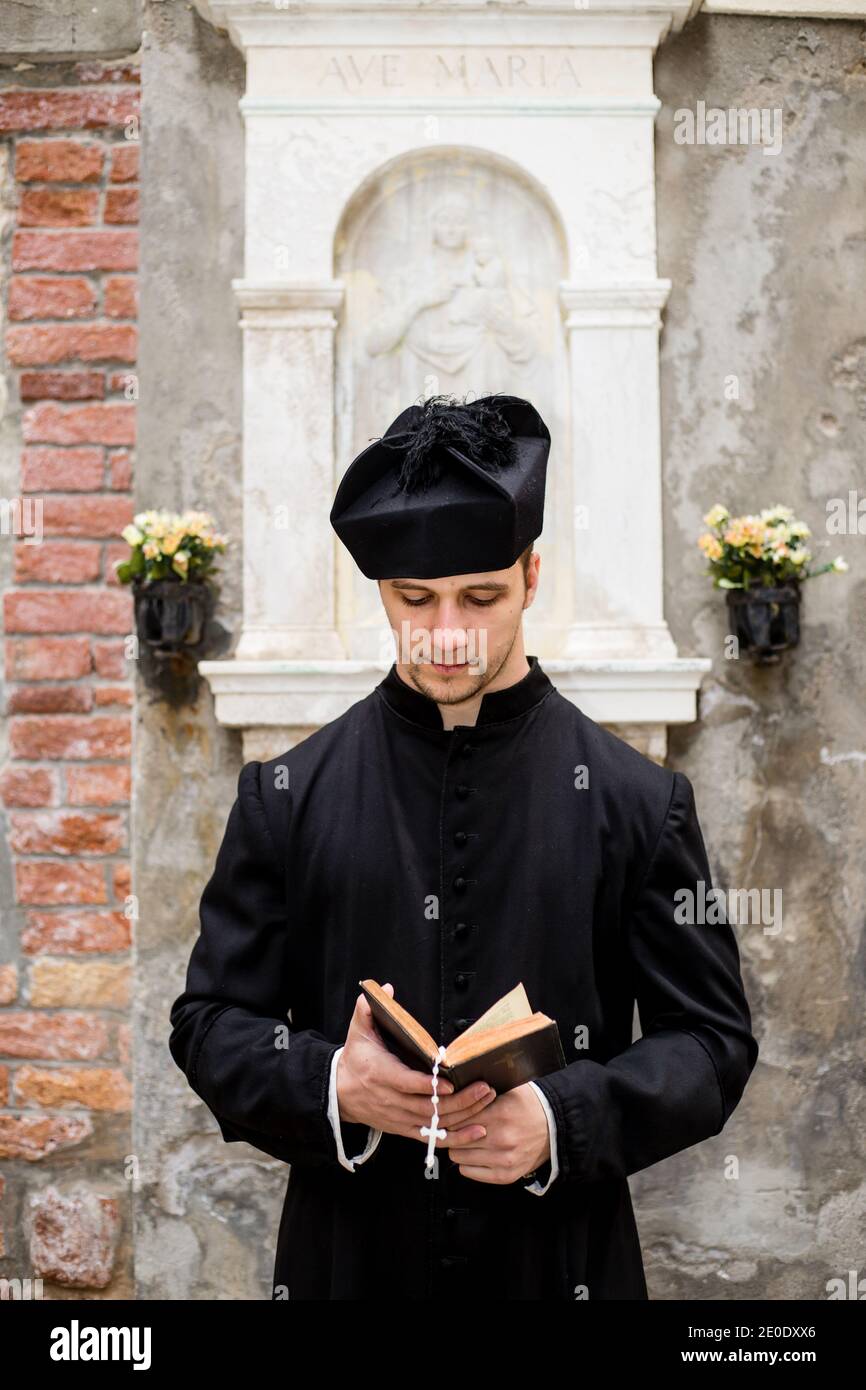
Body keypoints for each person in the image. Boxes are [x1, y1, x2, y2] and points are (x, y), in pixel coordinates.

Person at [168, 393, 759, 1300]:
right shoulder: (287, 796)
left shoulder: (640, 801)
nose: (446, 632)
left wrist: (563, 1118)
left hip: (560, 1265)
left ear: (529, 576)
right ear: (382, 592)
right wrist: (333, 1084)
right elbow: (207, 1024)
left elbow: (713, 1043)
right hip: (349, 1264)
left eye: (479, 597)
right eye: (416, 599)